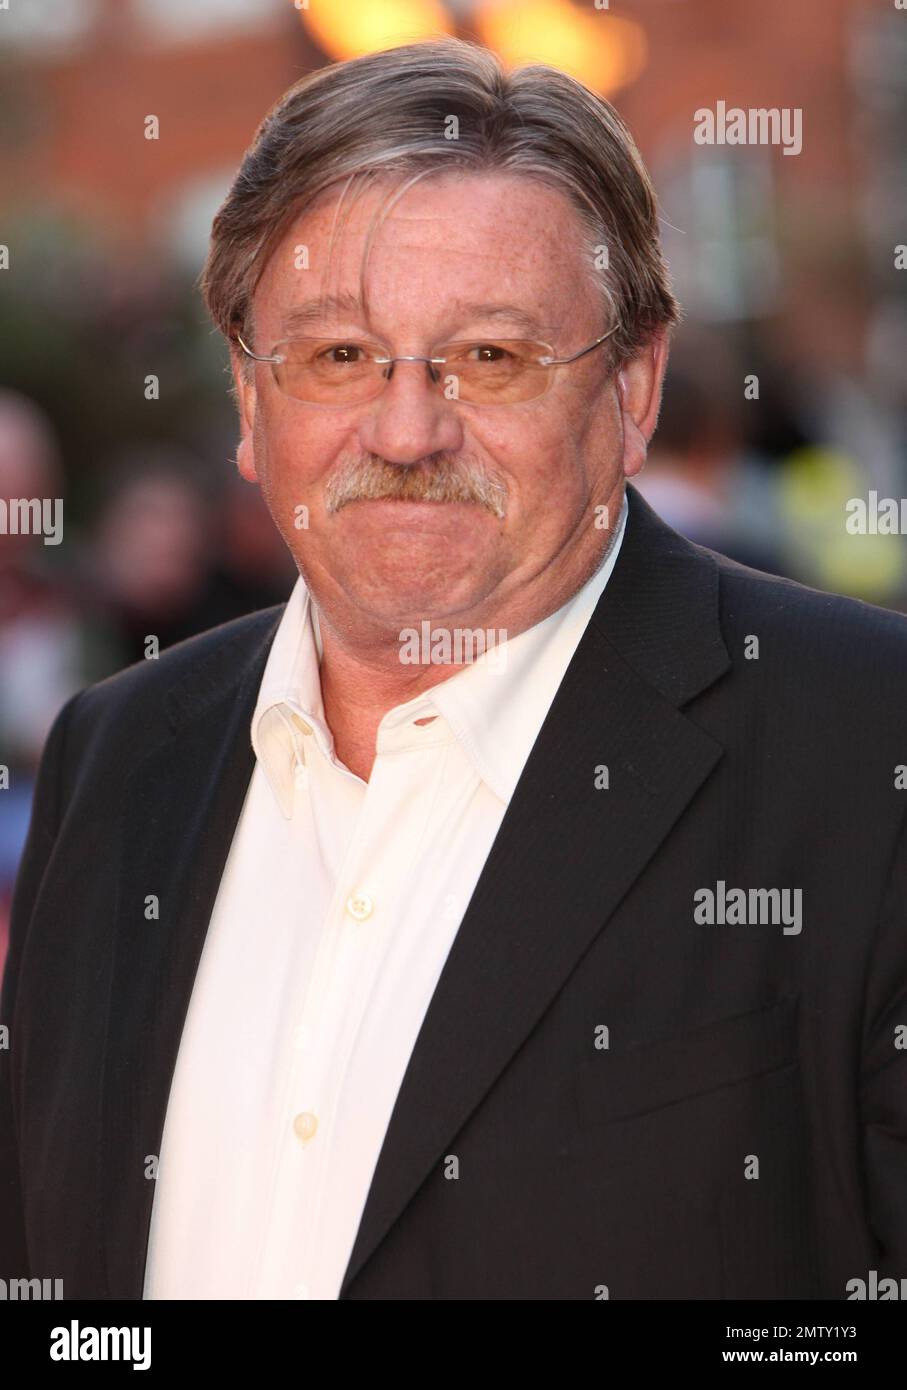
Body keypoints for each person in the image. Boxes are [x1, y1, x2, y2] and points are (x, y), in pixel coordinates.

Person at [2, 38, 905, 1301]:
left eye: (490, 357)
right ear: (248, 404)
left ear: (633, 389)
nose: (407, 428)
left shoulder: (865, 751)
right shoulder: (115, 756)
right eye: (335, 357)